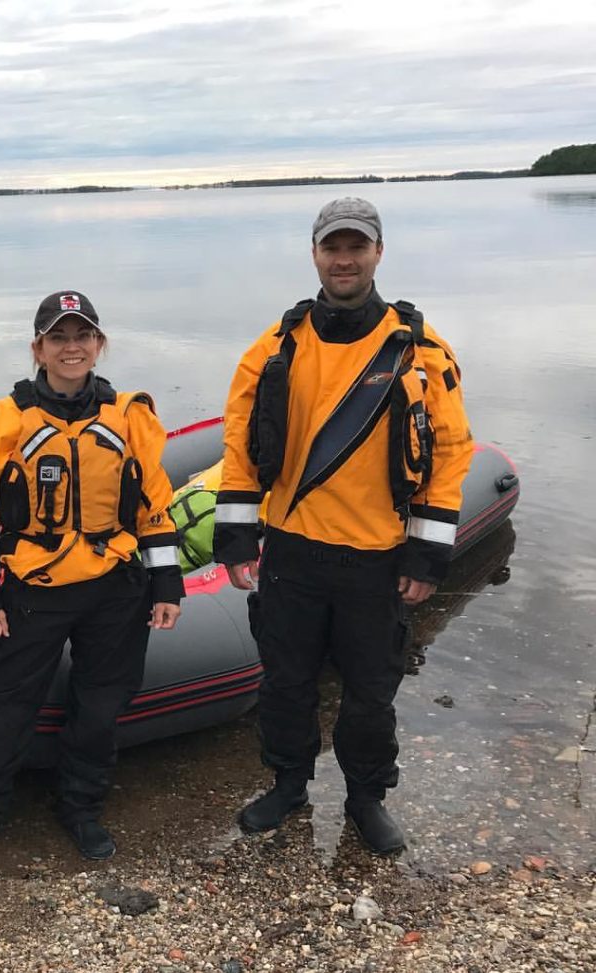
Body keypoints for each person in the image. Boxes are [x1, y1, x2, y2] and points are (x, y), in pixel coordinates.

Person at [213, 197, 473, 854]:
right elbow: (242, 446)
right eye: (334, 246)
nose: (345, 258)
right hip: (292, 553)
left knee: (370, 691)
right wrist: (238, 538)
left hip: (377, 555)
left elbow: (449, 451)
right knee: (286, 681)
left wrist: (427, 555)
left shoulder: (419, 350)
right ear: (316, 254)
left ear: (378, 252)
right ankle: (288, 783)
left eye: (358, 246)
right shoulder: (274, 347)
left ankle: (366, 797)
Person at [0, 291, 183, 866]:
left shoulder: (128, 417)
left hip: (113, 588)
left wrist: (167, 586)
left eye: (82, 336)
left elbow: (154, 508)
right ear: (38, 348)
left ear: (99, 345)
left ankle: (81, 810)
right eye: (59, 337)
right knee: (2, 708)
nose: (72, 347)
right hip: (32, 591)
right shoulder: (10, 419)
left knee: (100, 706)